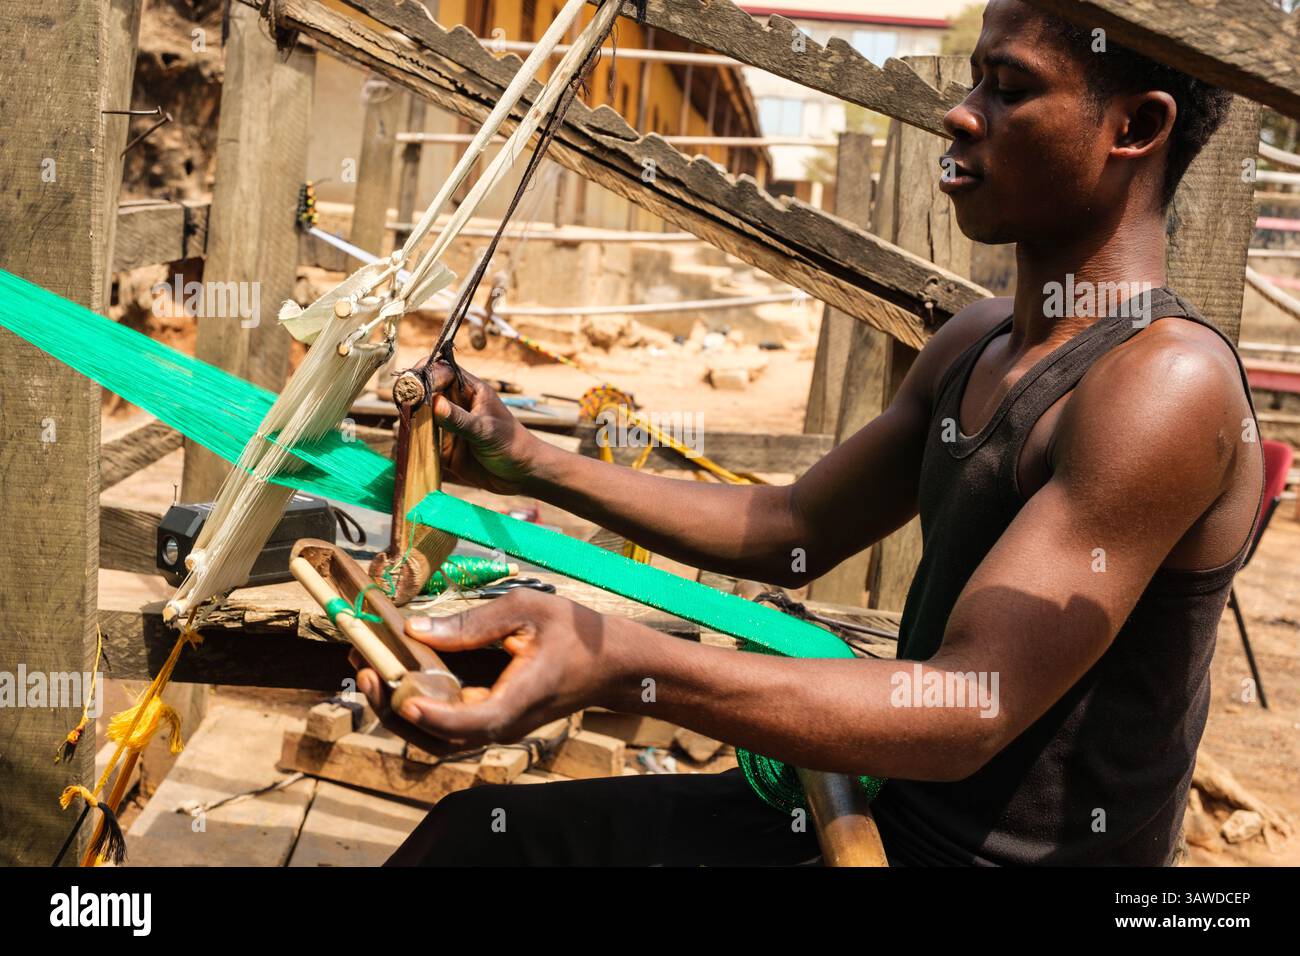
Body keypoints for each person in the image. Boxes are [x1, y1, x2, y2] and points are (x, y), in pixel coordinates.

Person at [363, 0, 1264, 865]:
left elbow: (968, 706)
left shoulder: (1164, 384)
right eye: (974, 79)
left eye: (1009, 87)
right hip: (880, 814)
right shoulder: (976, 340)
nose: (960, 113)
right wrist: (527, 462)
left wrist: (617, 662)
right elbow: (793, 531)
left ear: (1135, 127)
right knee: (476, 836)